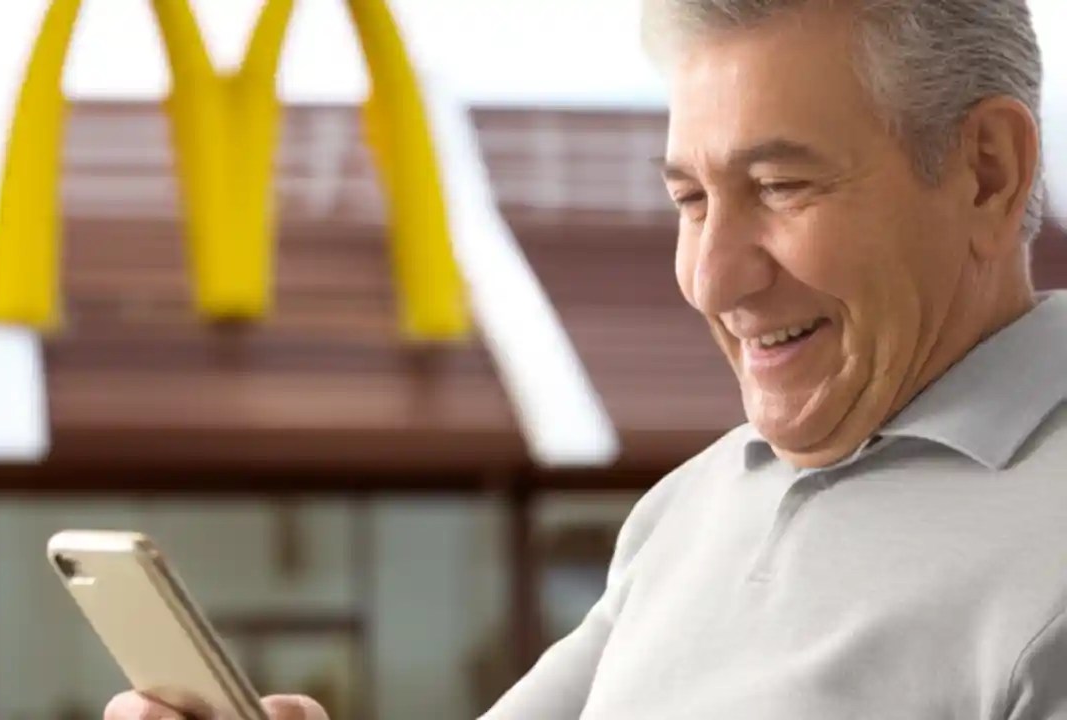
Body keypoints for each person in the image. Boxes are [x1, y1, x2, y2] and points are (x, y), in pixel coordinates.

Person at [108, 0, 1067, 717]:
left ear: (987, 171)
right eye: (691, 200)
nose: (710, 277)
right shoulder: (692, 507)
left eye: (781, 186)